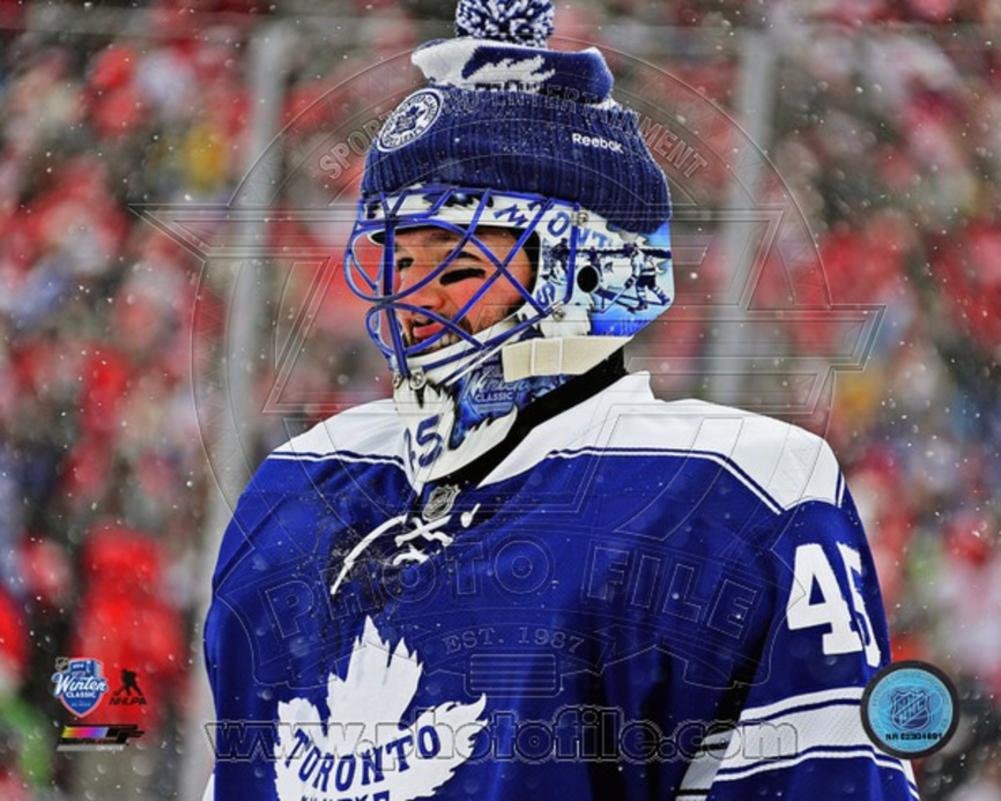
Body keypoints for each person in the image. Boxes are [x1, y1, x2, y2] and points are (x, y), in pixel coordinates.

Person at [203, 1, 918, 799]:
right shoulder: (298, 487)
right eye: (398, 261)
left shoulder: (736, 490)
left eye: (461, 267)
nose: (414, 302)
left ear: (592, 268)